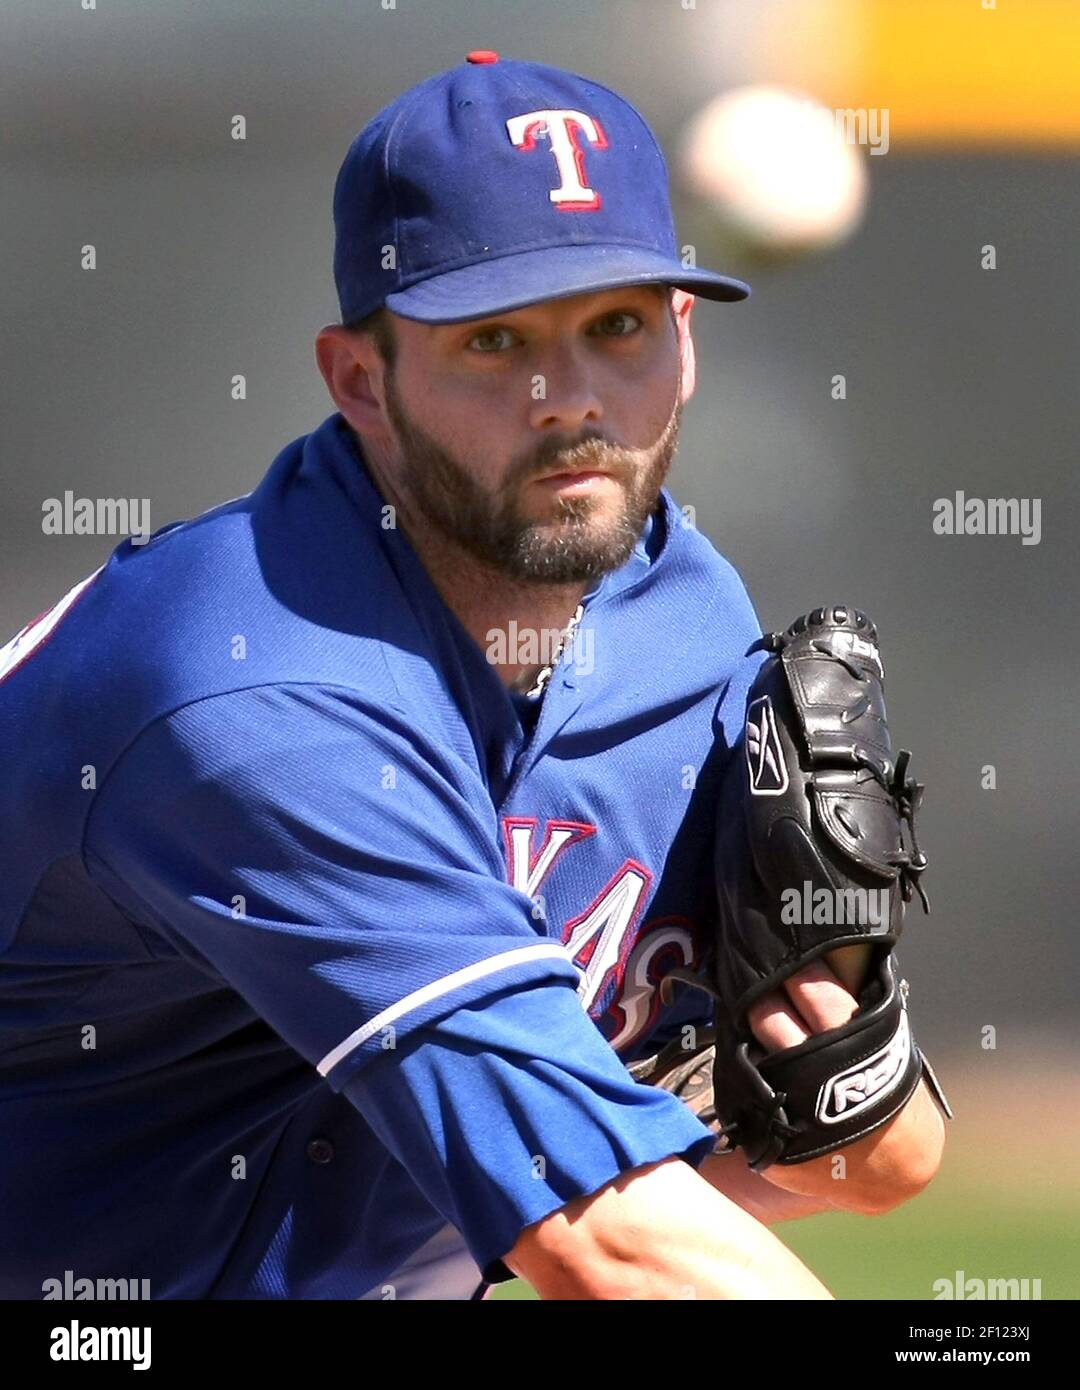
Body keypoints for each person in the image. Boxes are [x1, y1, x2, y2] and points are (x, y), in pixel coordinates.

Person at [0, 52, 944, 1302]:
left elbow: (870, 1164)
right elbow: (602, 1239)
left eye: (615, 326)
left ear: (684, 342)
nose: (570, 401)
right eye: (496, 340)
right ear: (360, 381)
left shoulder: (681, 624)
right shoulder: (254, 695)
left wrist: (850, 1060)